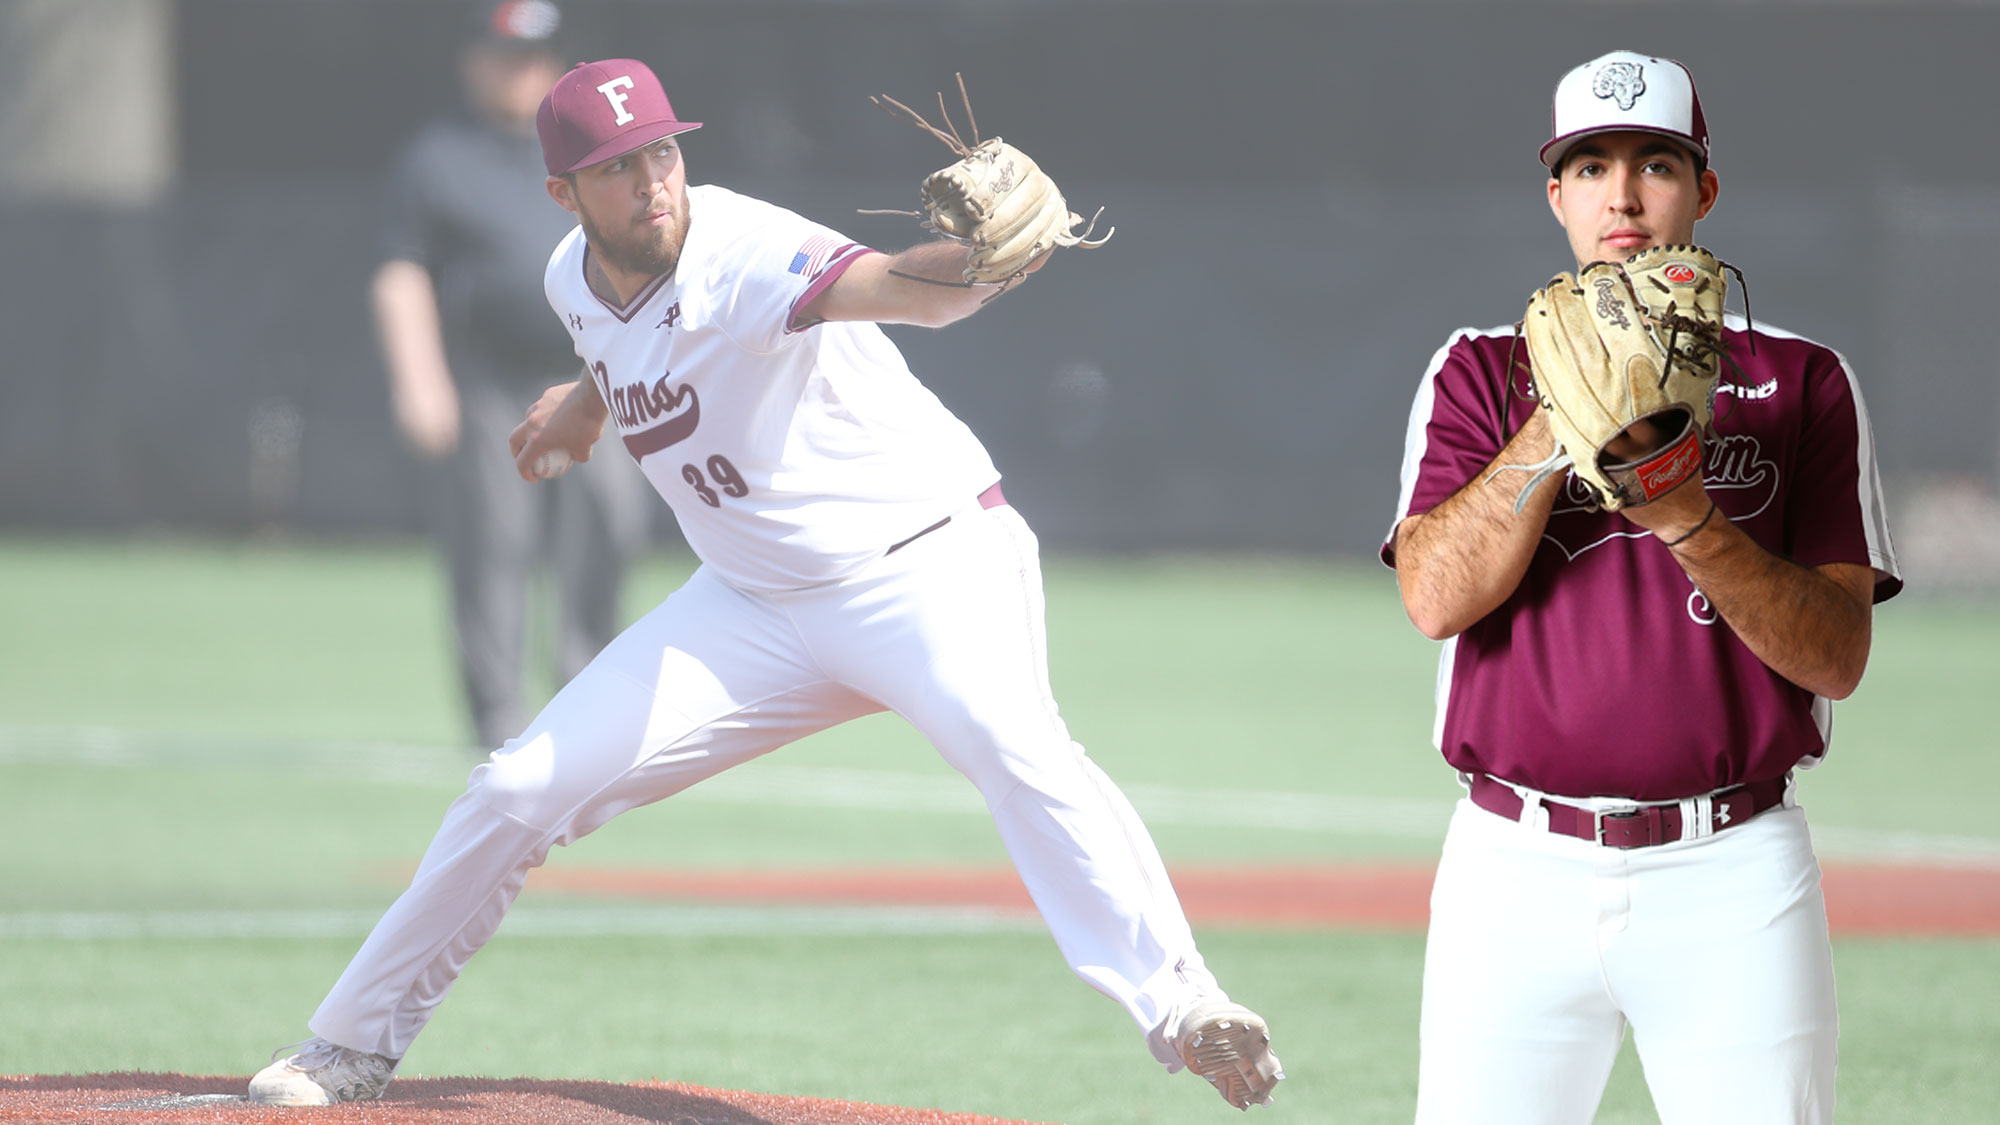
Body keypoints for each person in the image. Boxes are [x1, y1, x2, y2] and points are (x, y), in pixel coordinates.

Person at [249, 57, 1283, 1111]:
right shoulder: (570, 273)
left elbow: (899, 293)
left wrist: (979, 267)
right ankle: (350, 1046)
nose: (651, 179)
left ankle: (1183, 1003)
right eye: (616, 166)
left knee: (1012, 744)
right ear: (562, 193)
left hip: (924, 566)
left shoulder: (741, 249)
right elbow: (638, 348)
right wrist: (585, 404)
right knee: (517, 790)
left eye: (661, 149)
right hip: (750, 605)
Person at [1383, 50, 1901, 1124]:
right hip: (1509, 869)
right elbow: (1434, 599)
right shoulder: (1480, 369)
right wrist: (1558, 411)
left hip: (1732, 874)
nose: (1621, 194)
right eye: (1589, 165)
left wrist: (1683, 516)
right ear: (1556, 195)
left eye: (1654, 162)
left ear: (1702, 190)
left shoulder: (1799, 380)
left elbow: (1834, 658)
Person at [373, 0, 653, 748]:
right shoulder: (437, 159)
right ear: (472, 60)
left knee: (615, 521)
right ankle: (499, 719)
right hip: (491, 382)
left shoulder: (588, 150)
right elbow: (402, 273)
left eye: (534, 56)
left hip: (599, 374)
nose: (519, 71)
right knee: (494, 545)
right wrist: (418, 377)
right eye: (504, 55)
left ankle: (585, 691)